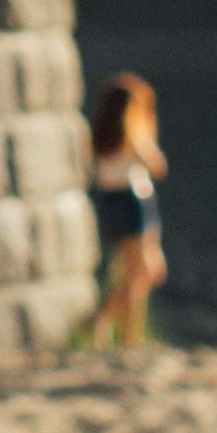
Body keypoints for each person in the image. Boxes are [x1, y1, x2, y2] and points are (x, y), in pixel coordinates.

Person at [71, 73, 168, 351]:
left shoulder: (99, 134)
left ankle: (102, 322)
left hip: (112, 201)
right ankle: (127, 336)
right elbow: (157, 165)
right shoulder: (132, 133)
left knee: (138, 273)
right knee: (141, 274)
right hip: (133, 201)